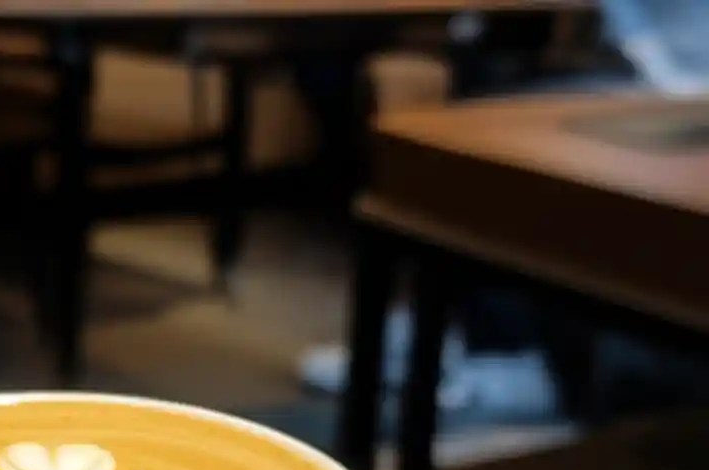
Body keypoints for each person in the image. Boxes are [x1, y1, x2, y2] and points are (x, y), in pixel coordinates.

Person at [299, 0, 709, 417]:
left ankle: (534, 360)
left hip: (675, 85)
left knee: (490, 138)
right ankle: (462, 333)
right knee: (474, 95)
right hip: (622, 67)